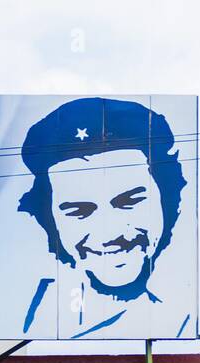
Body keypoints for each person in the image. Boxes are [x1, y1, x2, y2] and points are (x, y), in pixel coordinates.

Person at [17, 97, 188, 339]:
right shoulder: (28, 309)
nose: (109, 235)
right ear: (49, 218)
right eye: (79, 212)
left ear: (167, 198)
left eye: (130, 202)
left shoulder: (181, 315)